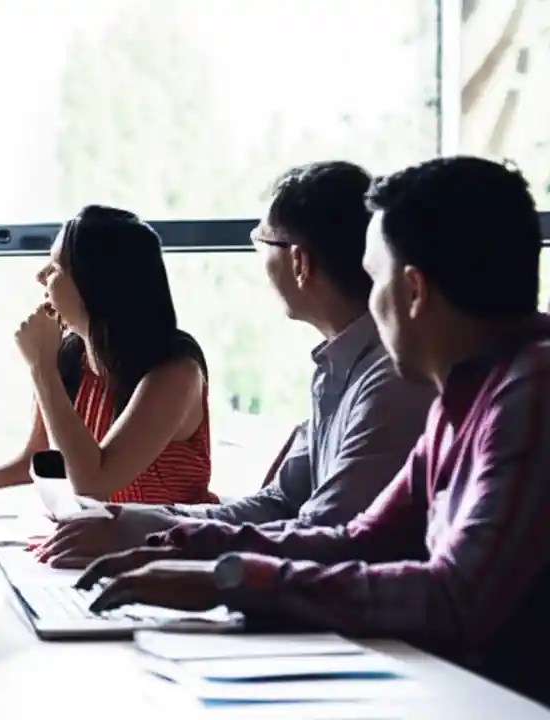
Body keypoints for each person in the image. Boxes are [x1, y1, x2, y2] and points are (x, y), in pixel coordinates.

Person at [80, 157, 550, 706]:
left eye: (375, 280)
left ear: (414, 290)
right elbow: (364, 538)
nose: (371, 305)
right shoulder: (467, 393)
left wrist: (227, 580)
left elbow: (455, 600)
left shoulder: (531, 392)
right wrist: (188, 548)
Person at [38, 162, 435, 567]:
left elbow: (326, 533)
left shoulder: (389, 382)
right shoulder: (337, 368)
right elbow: (279, 503)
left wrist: (151, 541)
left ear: (299, 263)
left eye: (261, 240)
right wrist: (128, 522)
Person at [0, 205, 216, 504]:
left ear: (98, 283)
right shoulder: (71, 356)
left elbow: (93, 483)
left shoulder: (175, 373)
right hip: (104, 539)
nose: (40, 276)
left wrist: (41, 368)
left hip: (172, 543)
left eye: (56, 268)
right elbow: (40, 457)